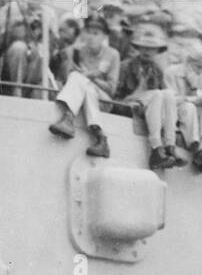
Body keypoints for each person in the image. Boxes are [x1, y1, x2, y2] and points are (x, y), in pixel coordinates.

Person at [47, 14, 117, 158]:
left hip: (103, 100)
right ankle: (100, 136)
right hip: (83, 97)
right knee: (81, 81)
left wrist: (91, 76)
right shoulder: (77, 50)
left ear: (104, 37)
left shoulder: (112, 54)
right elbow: (65, 76)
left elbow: (112, 89)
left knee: (80, 79)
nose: (91, 37)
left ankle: (68, 118)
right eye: (88, 32)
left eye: (96, 33)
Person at [115, 23, 181, 171]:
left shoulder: (156, 69)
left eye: (151, 49)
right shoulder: (126, 66)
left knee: (168, 94)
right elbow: (116, 95)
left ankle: (170, 145)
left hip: (149, 107)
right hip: (129, 104)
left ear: (157, 51)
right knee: (157, 94)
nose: (146, 51)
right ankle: (156, 147)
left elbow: (165, 95)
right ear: (138, 48)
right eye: (143, 47)